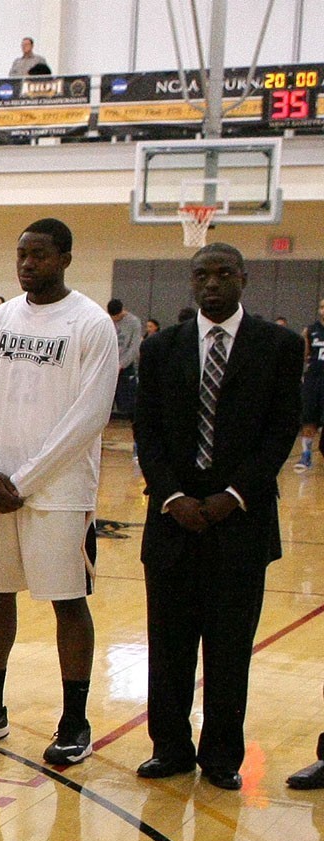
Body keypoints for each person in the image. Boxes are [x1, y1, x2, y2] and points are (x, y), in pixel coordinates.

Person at [0, 219, 118, 768]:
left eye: (38, 255)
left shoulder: (90, 324)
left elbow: (89, 415)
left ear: (65, 257)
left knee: (68, 603)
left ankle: (74, 721)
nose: (26, 264)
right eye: (21, 255)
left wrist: (27, 479)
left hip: (58, 492)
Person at [133, 244, 303, 790]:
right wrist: (172, 496)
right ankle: (170, 748)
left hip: (241, 521)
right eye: (202, 274)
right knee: (169, 642)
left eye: (224, 273)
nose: (212, 283)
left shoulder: (277, 345)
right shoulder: (161, 348)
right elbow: (147, 430)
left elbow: (281, 430)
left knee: (230, 647)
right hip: (172, 519)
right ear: (191, 281)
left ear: (244, 280)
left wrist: (233, 494)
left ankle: (223, 754)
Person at [107, 298, 143, 421]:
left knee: (126, 404)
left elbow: (134, 347)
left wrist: (121, 365)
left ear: (122, 311)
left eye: (116, 317)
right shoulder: (107, 320)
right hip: (108, 367)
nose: (114, 320)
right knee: (107, 403)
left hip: (125, 368)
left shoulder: (134, 322)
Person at [298, 297, 324, 470]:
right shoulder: (310, 330)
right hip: (314, 380)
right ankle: (306, 454)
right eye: (322, 307)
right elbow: (302, 355)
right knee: (309, 418)